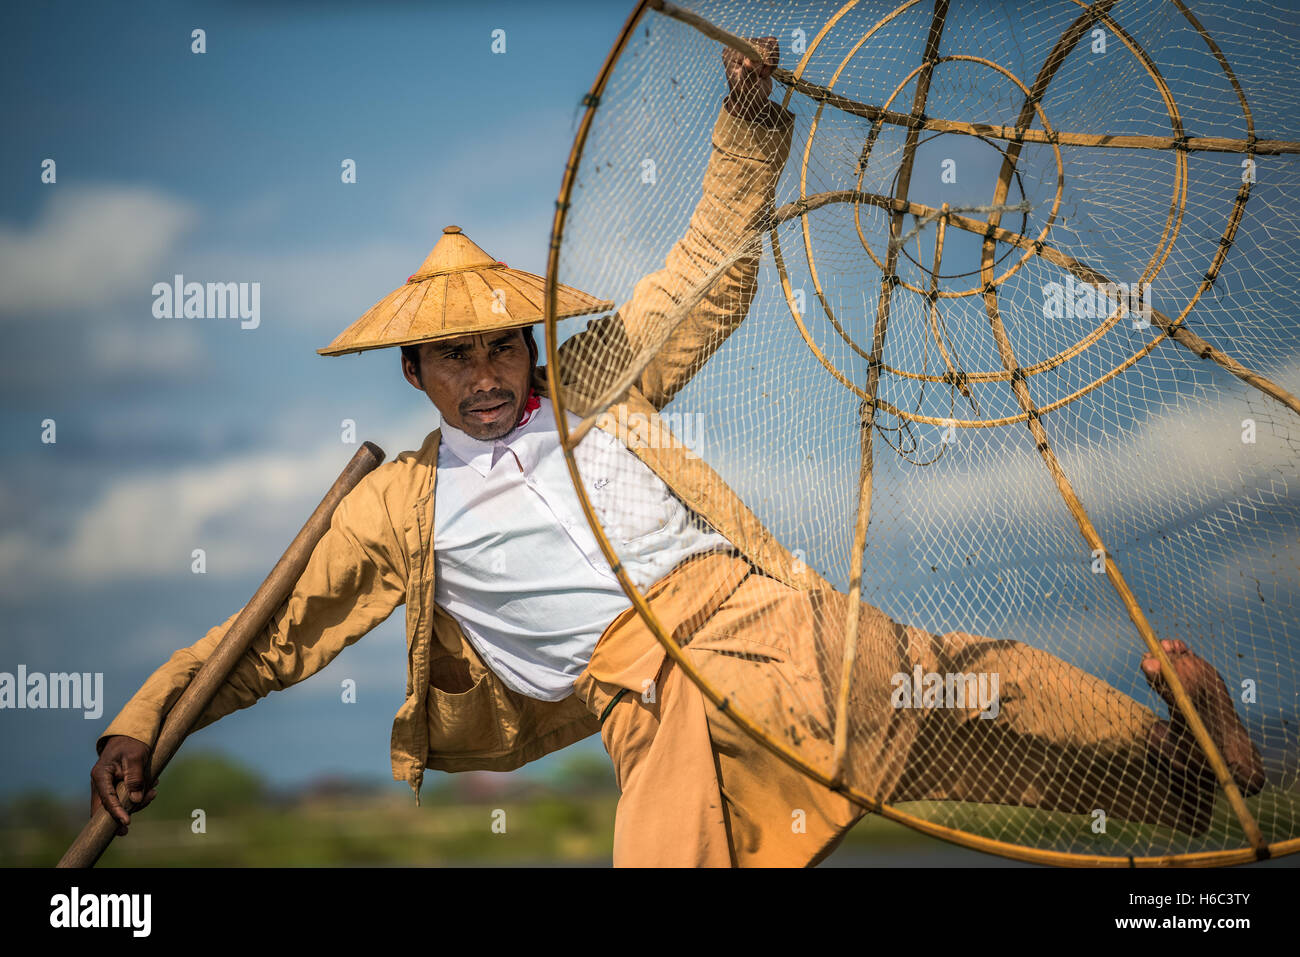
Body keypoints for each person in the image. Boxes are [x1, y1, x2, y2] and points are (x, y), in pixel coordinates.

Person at [90, 38, 1265, 867]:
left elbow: (701, 269)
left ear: (528, 341)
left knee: (984, 687)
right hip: (658, 695)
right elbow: (267, 633)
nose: (490, 376)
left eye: (504, 347)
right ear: (416, 374)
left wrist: (747, 122)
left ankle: (1188, 772)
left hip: (778, 620)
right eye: (457, 360)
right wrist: (144, 723)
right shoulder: (394, 508)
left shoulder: (595, 383)